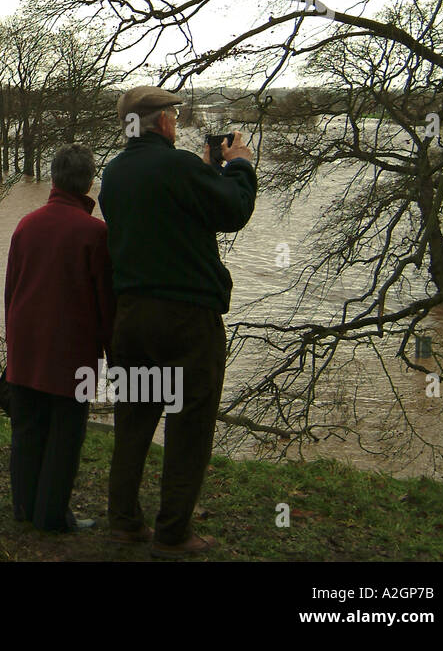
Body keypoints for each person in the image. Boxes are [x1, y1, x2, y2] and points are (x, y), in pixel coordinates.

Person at [98, 86, 256, 558]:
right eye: (172, 112)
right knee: (188, 425)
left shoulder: (114, 173)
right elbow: (232, 211)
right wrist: (240, 164)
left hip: (130, 319)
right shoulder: (177, 165)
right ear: (161, 122)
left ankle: (124, 522)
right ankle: (172, 534)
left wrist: (206, 172)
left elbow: (165, 217)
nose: (175, 120)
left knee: (133, 422)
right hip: (186, 320)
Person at [4, 144, 114, 533]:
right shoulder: (96, 233)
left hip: (25, 345)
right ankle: (51, 517)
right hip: (71, 353)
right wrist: (114, 355)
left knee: (27, 429)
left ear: (52, 178)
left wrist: (12, 345)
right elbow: (106, 304)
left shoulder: (25, 224)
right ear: (88, 183)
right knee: (66, 436)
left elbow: (11, 289)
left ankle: (23, 506)